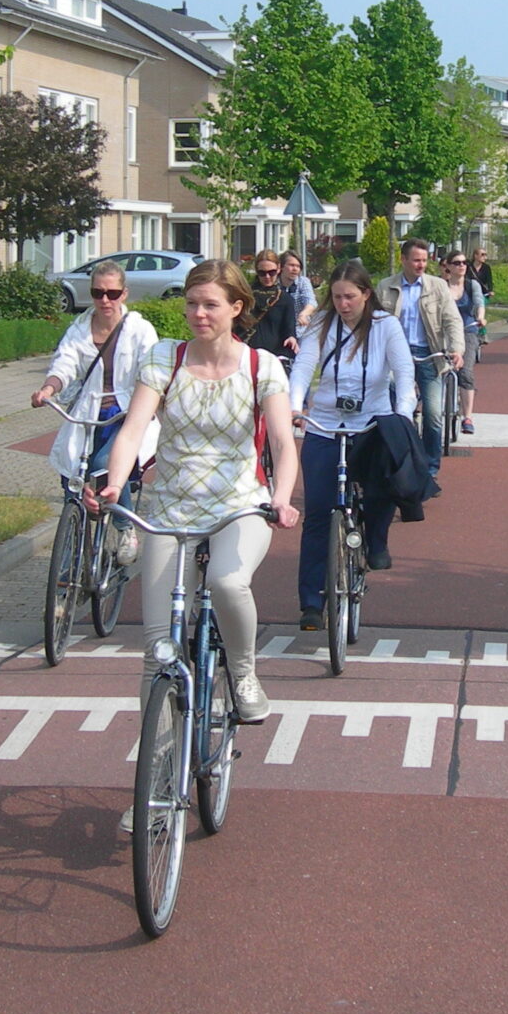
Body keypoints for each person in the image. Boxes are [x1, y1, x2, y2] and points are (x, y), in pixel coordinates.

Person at [90, 259, 299, 730]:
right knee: (157, 649)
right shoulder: (166, 358)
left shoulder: (259, 365)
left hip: (240, 504)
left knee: (227, 582)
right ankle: (158, 786)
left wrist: (282, 499)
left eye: (210, 305)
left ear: (236, 308)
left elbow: (284, 444)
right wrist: (114, 484)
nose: (198, 314)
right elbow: (133, 430)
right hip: (170, 507)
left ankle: (243, 673)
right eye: (190, 304)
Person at [288, 261, 416, 625]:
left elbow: (403, 373)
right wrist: (295, 405)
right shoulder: (321, 325)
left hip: (371, 423)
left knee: (379, 491)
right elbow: (303, 366)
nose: (343, 304)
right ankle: (311, 602)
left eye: (350, 297)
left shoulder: (385, 327)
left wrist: (401, 416)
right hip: (324, 423)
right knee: (317, 514)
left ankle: (376, 540)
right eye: (336, 297)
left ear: (366, 295)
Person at [31, 260, 158, 556]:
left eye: (112, 294)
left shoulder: (140, 329)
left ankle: (125, 529)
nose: (104, 300)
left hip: (126, 414)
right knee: (73, 477)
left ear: (124, 294)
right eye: (98, 292)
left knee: (107, 463)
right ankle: (71, 552)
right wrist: (48, 389)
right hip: (87, 413)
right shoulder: (79, 329)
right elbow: (64, 364)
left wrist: (148, 402)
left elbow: (152, 372)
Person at [374, 237, 464, 481]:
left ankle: (429, 469)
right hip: (395, 357)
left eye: (424, 260)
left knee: (433, 415)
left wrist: (456, 349)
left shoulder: (437, 287)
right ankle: (397, 465)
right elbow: (374, 321)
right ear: (403, 259)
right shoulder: (385, 286)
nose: (421, 265)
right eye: (416, 260)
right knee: (394, 413)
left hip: (428, 355)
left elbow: (452, 320)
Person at [440, 250, 485, 434]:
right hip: (442, 332)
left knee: (466, 372)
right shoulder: (440, 286)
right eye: (457, 263)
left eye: (464, 262)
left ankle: (467, 417)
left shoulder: (471, 285)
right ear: (448, 266)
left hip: (467, 330)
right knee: (429, 367)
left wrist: (481, 317)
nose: (462, 266)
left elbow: (479, 302)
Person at [247, 248, 301, 367]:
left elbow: (289, 328)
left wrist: (291, 338)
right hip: (249, 356)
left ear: (278, 269)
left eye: (271, 272)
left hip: (274, 359)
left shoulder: (284, 298)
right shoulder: (246, 295)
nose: (267, 277)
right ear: (256, 271)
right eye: (262, 273)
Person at [278, 250, 317, 326]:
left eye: (298, 266)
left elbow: (311, 302)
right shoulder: (275, 283)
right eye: (291, 265)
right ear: (281, 266)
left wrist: (303, 314)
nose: (295, 269)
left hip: (300, 328)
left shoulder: (303, 282)